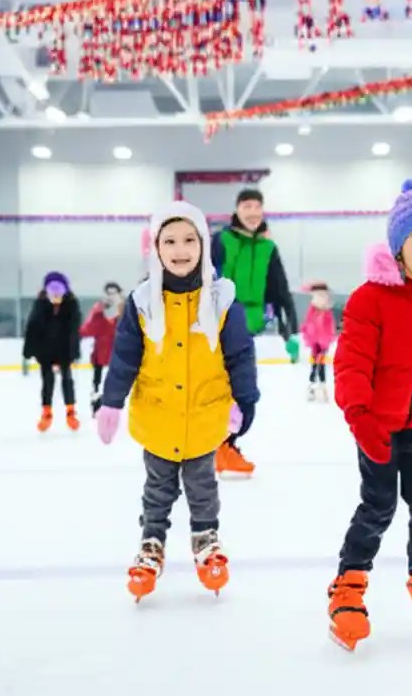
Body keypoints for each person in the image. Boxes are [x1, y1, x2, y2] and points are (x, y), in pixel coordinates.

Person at [326, 178, 412, 652]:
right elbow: (350, 362)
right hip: (377, 424)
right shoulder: (370, 298)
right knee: (379, 504)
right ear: (398, 246)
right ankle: (348, 586)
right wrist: (359, 416)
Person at [95, 201, 259, 602]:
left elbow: (240, 353)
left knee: (203, 487)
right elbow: (126, 356)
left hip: (205, 416)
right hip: (158, 416)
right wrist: (111, 400)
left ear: (203, 245)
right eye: (170, 240)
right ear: (156, 247)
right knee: (158, 488)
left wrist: (245, 400)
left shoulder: (221, 299)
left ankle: (206, 540)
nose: (180, 248)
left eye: (190, 239)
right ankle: (151, 544)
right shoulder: (142, 301)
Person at [209, 188, 300, 475]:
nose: (252, 212)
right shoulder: (221, 240)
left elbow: (280, 287)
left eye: (257, 207)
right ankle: (217, 447)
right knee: (216, 389)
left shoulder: (268, 247)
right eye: (246, 206)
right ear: (237, 210)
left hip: (247, 327)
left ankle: (224, 445)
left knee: (245, 393)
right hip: (216, 323)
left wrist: (290, 330)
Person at [22, 271, 82, 432]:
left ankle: (71, 411)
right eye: (52, 293)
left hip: (64, 349)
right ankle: (46, 413)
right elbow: (32, 327)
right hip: (45, 350)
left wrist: (74, 351)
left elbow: (74, 331)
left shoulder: (72, 304)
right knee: (47, 381)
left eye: (59, 293)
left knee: (67, 380)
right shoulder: (40, 304)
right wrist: (29, 349)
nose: (56, 297)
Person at [79, 281, 124, 417]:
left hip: (119, 354)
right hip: (100, 353)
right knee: (97, 384)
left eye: (114, 293)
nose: (111, 296)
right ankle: (97, 405)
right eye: (108, 293)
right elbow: (88, 329)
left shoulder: (125, 310)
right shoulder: (98, 310)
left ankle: (112, 408)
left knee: (116, 383)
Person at [299, 280, 337, 402]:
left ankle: (320, 386)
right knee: (316, 364)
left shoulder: (326, 313)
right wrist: (307, 335)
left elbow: (329, 328)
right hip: (315, 341)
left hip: (322, 342)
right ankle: (314, 386)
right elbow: (308, 324)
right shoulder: (313, 310)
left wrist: (327, 340)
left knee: (319, 364)